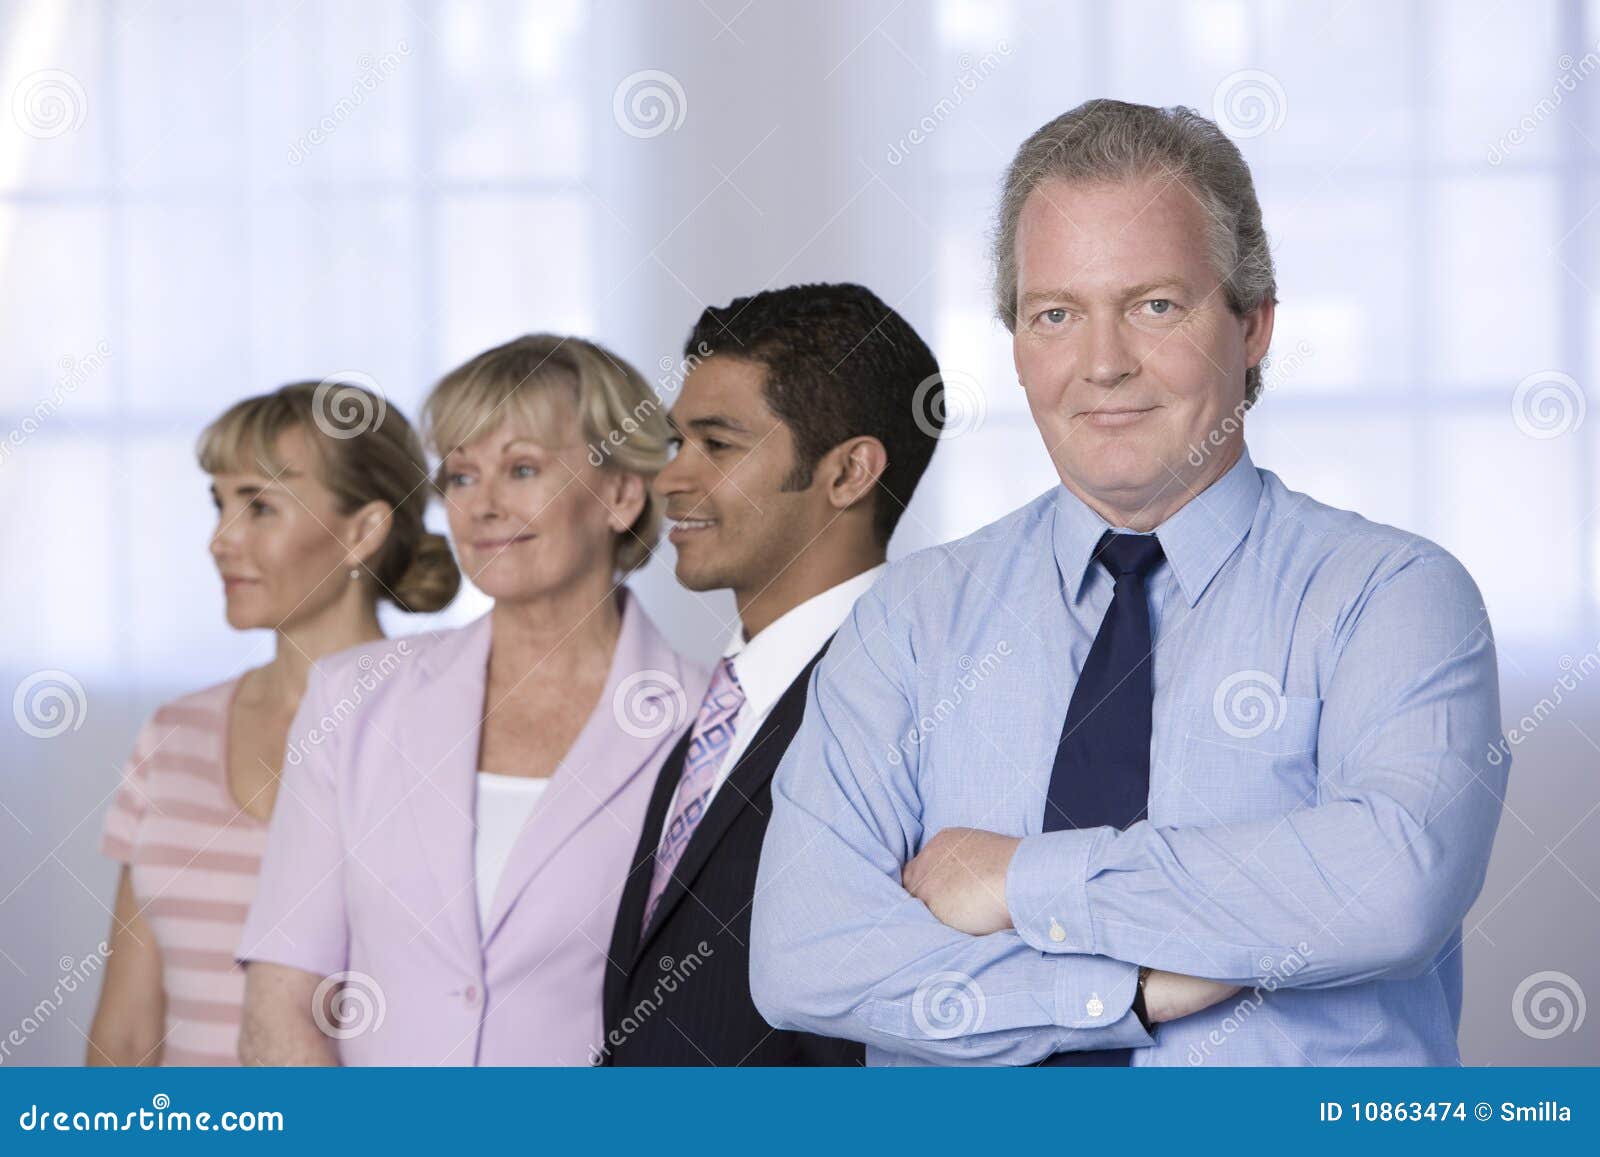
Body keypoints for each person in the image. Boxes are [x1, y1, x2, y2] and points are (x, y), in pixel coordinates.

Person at [750, 99, 1508, 1066]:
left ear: (1253, 326)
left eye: (1156, 305)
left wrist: (1019, 877)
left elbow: (1395, 884)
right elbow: (805, 956)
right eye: (1056, 314)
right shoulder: (908, 618)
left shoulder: (1392, 596)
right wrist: (1133, 992)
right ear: (1018, 344)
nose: (1102, 364)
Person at [236, 335, 707, 1066]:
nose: (482, 505)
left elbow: (710, 1020)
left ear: (620, 493)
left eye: (521, 468)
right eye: (459, 476)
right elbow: (282, 999)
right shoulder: (351, 696)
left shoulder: (709, 720)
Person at [597, 283, 941, 1066]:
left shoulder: (911, 706)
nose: (672, 478)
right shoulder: (727, 697)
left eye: (717, 445)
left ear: (849, 471)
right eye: (677, 442)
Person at [87, 380, 458, 1066]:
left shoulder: (447, 731)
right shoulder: (174, 734)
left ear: (364, 530)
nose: (221, 540)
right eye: (219, 504)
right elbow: (127, 1035)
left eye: (260, 506)